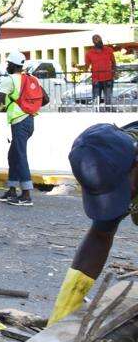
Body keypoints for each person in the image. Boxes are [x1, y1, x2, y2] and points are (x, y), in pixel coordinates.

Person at [47, 123, 138, 325]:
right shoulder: (114, 160)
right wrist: (62, 314)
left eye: (120, 190)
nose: (118, 201)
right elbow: (100, 235)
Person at [0, 52, 36, 206]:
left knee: (20, 156)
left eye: (8, 63)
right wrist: (28, 107)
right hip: (29, 121)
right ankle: (12, 190)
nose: (6, 66)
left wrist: (2, 107)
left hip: (19, 122)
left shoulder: (9, 80)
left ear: (12, 65)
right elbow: (45, 99)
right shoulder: (31, 78)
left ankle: (26, 195)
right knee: (13, 155)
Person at [80, 34, 116, 106]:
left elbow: (113, 62)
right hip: (96, 80)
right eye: (95, 39)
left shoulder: (109, 50)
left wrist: (113, 73)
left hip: (108, 79)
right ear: (93, 42)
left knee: (108, 100)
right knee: (96, 101)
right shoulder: (89, 53)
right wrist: (78, 67)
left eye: (99, 38)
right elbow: (86, 67)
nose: (98, 40)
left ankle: (109, 115)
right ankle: (97, 115)